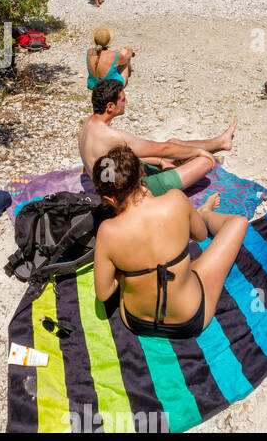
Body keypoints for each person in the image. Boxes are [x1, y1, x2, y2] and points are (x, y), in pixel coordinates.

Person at [91, 144, 248, 339]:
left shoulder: (107, 231)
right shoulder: (175, 200)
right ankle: (205, 213)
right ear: (141, 174)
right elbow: (199, 235)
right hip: (190, 320)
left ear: (109, 198)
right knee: (238, 223)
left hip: (136, 322)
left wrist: (127, 270)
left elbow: (103, 294)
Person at [79, 79, 236, 195]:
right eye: (122, 99)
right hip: (127, 194)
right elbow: (164, 149)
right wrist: (198, 152)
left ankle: (220, 142)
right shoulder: (111, 136)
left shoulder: (88, 124)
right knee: (206, 161)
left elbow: (151, 152)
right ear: (110, 106)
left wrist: (160, 161)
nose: (126, 102)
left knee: (174, 144)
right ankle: (209, 149)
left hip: (112, 180)